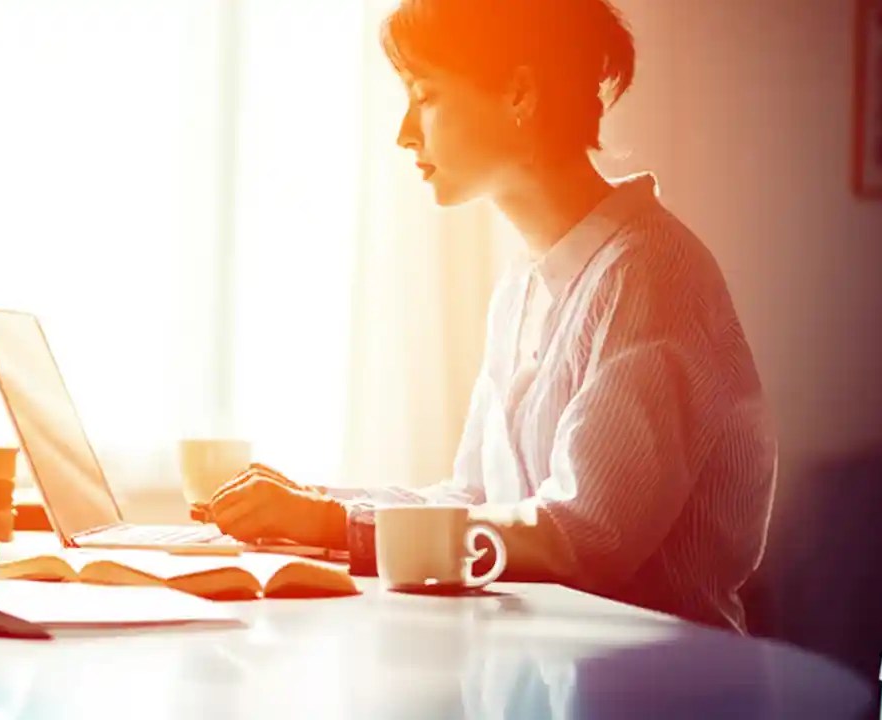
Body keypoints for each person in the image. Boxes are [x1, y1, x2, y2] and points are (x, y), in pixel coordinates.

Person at [205, 0, 776, 633]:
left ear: (520, 93)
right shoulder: (523, 287)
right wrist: (311, 504)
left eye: (425, 96)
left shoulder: (649, 276)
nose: (404, 132)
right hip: (548, 670)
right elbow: (472, 503)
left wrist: (332, 525)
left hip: (661, 685)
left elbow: (587, 535)